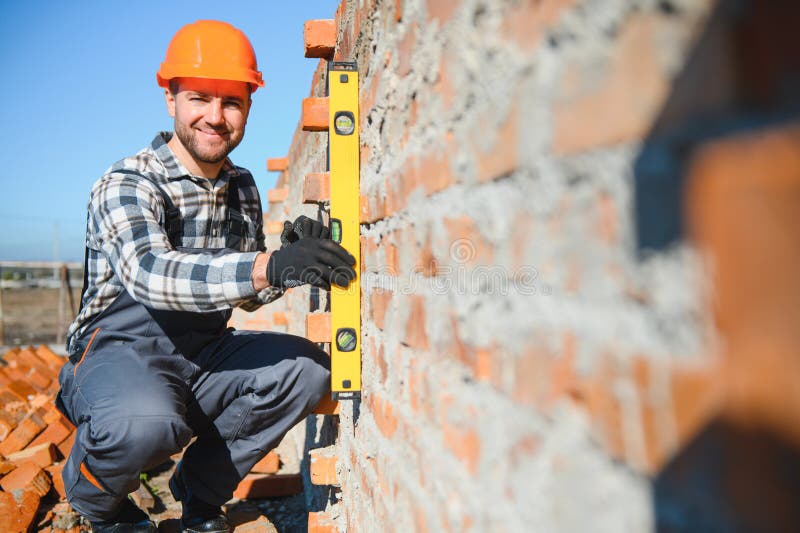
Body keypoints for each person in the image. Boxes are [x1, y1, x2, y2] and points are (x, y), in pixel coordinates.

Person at [55, 20, 356, 533]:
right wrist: (267, 265)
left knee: (306, 372)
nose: (215, 117)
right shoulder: (127, 181)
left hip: (204, 353)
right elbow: (150, 273)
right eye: (199, 98)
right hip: (119, 352)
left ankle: (198, 493)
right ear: (170, 97)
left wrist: (290, 259)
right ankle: (94, 501)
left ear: (249, 106)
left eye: (232, 102)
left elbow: (247, 296)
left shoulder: (242, 186)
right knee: (144, 425)